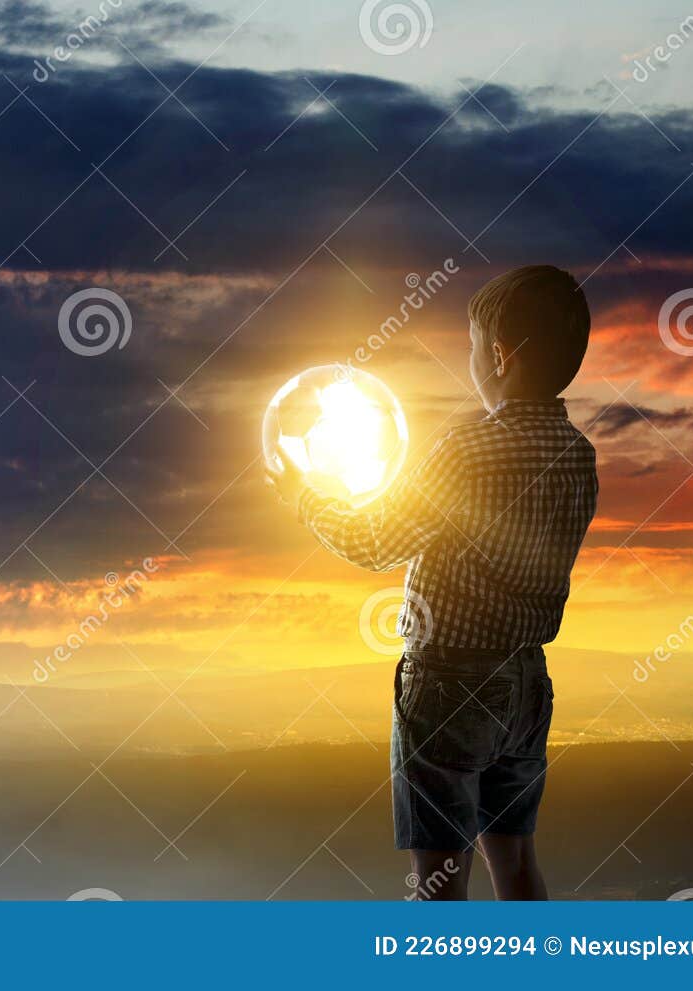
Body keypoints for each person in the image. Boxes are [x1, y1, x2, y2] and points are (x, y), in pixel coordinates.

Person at [267, 266, 598, 900]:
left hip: (448, 686)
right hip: (527, 683)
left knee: (438, 880)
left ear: (497, 356)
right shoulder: (579, 453)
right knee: (518, 859)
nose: (469, 359)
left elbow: (375, 542)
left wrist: (304, 497)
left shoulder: (466, 447)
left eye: (471, 346)